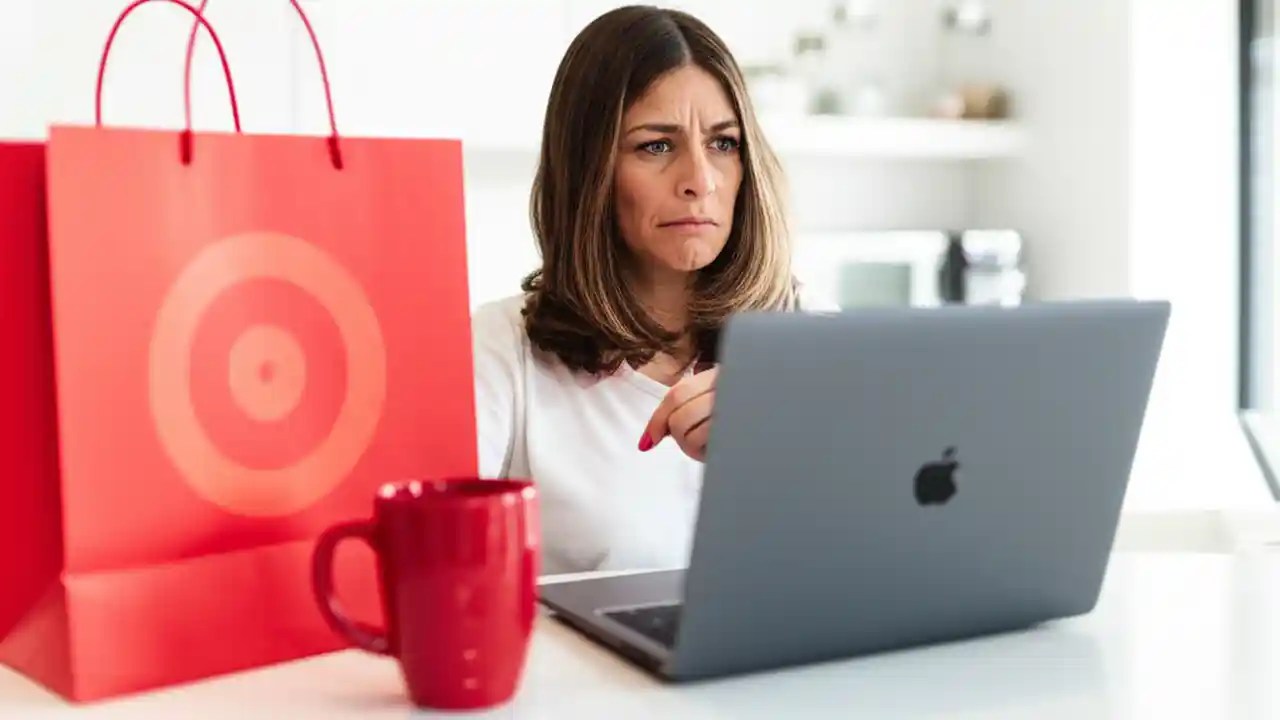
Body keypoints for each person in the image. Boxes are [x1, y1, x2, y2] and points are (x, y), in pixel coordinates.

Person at [472, 5, 811, 576]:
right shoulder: (501, 350)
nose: (699, 180)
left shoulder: (810, 340)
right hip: (578, 668)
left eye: (724, 144)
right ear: (588, 170)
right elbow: (425, 567)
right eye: (656, 146)